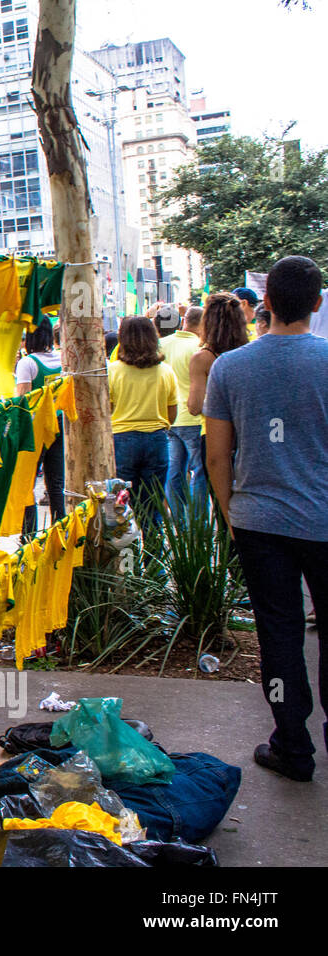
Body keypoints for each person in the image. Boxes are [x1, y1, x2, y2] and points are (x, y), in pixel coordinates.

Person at [205, 255, 328, 783]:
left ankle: (292, 747)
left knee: (278, 634)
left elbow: (216, 456)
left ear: (267, 304)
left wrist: (233, 513)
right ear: (318, 304)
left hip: (260, 523)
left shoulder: (230, 367)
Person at [107, 315, 177, 522]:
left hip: (121, 441)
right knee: (152, 507)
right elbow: (171, 413)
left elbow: (107, 411)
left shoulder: (112, 372)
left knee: (121, 508)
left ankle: (128, 553)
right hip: (156, 440)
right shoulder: (165, 372)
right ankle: (152, 553)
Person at [187, 292, 250, 486]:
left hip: (215, 436)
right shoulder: (251, 351)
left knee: (222, 505)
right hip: (248, 434)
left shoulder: (203, 359)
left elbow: (194, 407)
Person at [14, 315, 65, 537]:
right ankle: (60, 532)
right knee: (56, 483)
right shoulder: (62, 359)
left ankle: (29, 535)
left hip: (34, 428)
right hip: (59, 423)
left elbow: (22, 400)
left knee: (27, 483)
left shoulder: (28, 363)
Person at [161, 303, 206, 512]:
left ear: (183, 321)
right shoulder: (200, 347)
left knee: (174, 471)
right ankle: (198, 524)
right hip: (194, 419)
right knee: (199, 471)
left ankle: (178, 522)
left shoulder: (162, 344)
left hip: (169, 418)